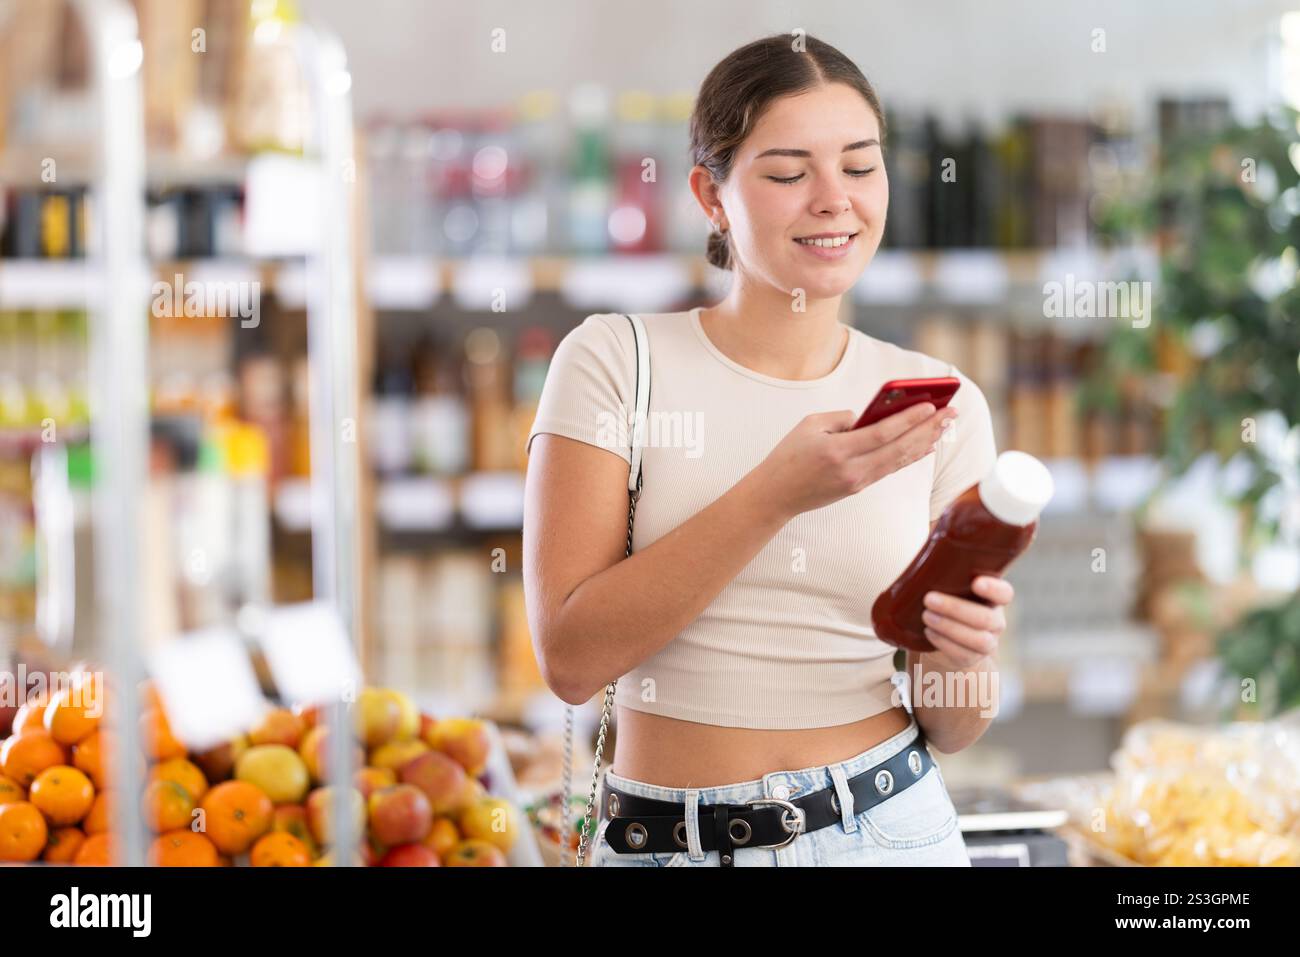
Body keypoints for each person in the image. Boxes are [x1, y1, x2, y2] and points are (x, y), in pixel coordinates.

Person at [522, 33, 1014, 866]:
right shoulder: (615, 360)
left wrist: (963, 657)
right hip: (665, 840)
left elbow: (953, 728)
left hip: (890, 826)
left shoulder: (941, 403)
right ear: (711, 196)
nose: (834, 200)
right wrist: (777, 492)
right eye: (789, 173)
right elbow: (571, 658)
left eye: (860, 167)